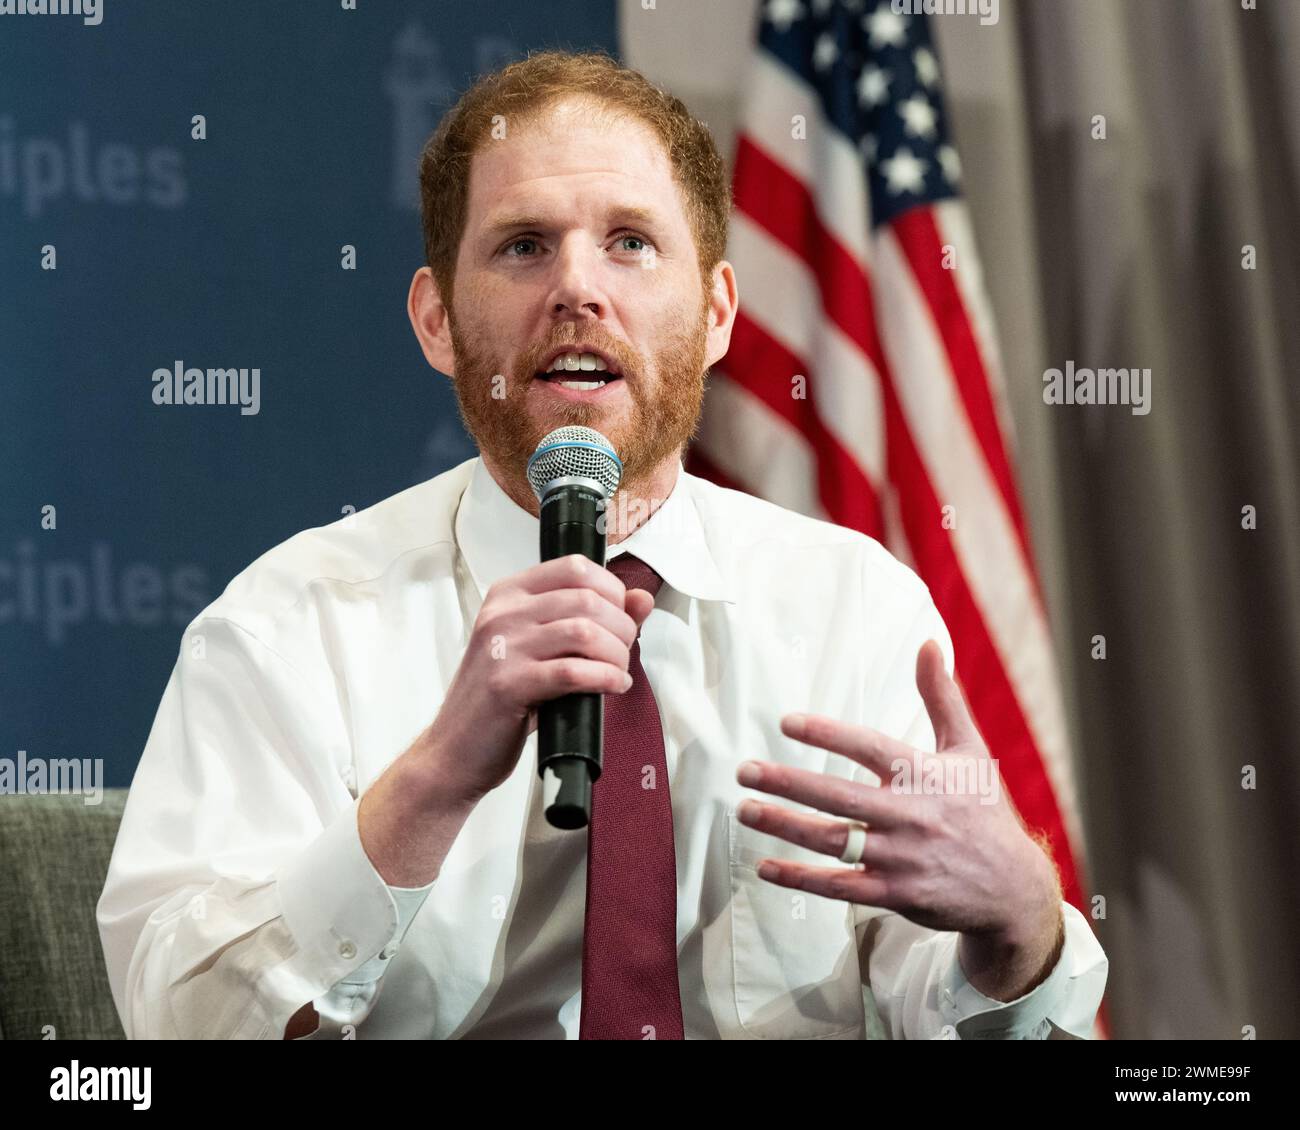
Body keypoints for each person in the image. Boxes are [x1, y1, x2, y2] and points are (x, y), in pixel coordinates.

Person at [97, 49, 1107, 1040]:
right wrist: (434, 777)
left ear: (715, 314)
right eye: (524, 244)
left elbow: (953, 1011)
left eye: (629, 242)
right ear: (438, 320)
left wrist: (1019, 922)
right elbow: (177, 1021)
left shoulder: (855, 605)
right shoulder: (292, 624)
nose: (577, 287)